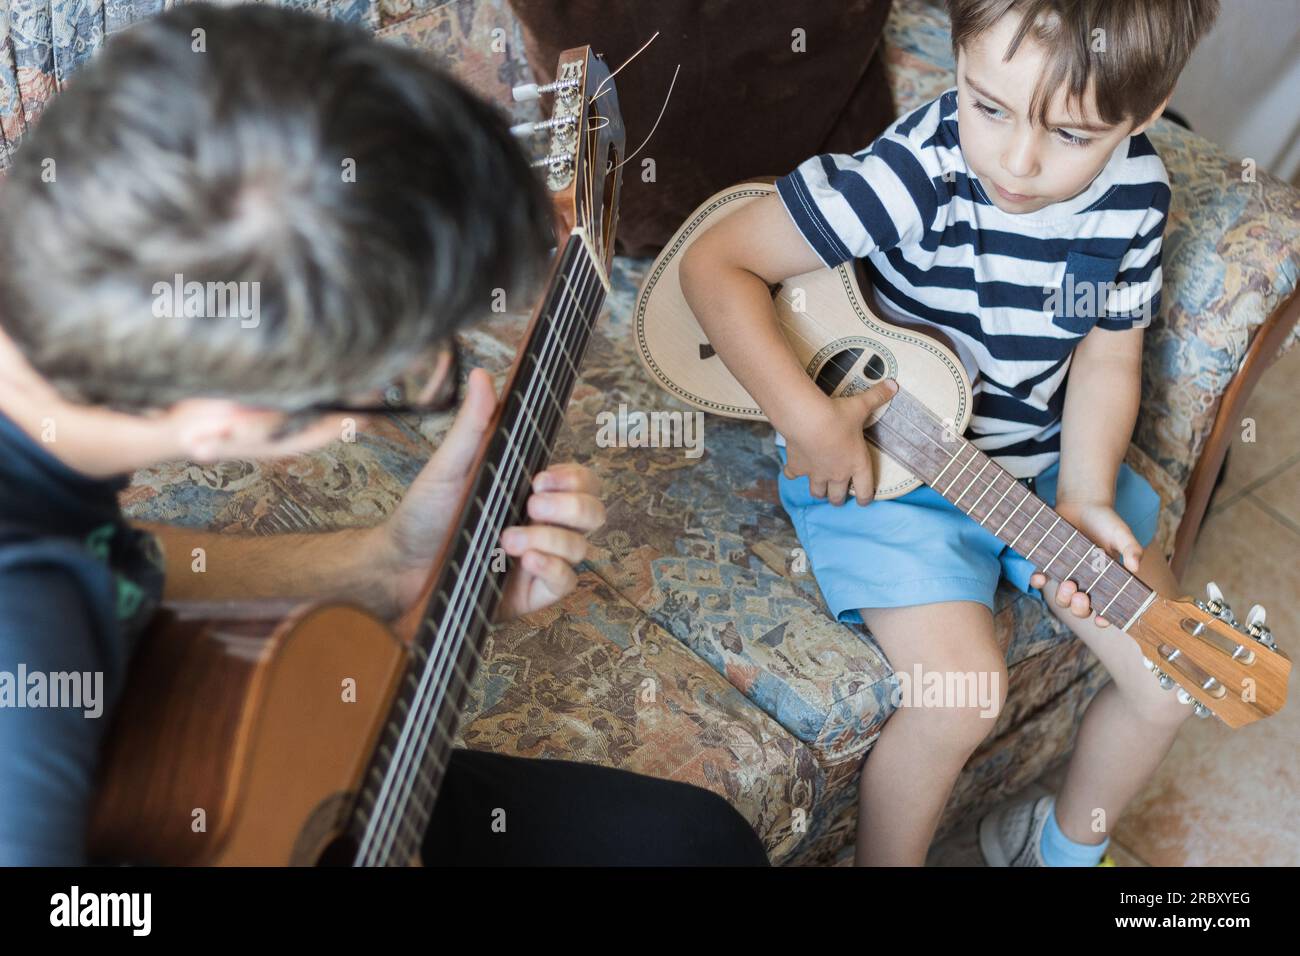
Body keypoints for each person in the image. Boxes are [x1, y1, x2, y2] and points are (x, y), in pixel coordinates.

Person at [0, 2, 768, 867]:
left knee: (690, 847)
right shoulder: (29, 632)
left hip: (169, 768)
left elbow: (111, 561)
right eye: (400, 380)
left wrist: (390, 563)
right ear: (230, 421)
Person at [680, 0, 1220, 866]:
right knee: (962, 698)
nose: (1017, 161)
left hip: (1039, 468)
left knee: (1171, 678)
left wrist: (1082, 491)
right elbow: (717, 264)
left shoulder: (1134, 197)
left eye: (1072, 135)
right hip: (891, 469)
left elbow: (1105, 358)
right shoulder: (919, 170)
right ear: (961, 59)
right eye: (989, 105)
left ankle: (1055, 850)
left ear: (1145, 115)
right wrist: (810, 419)